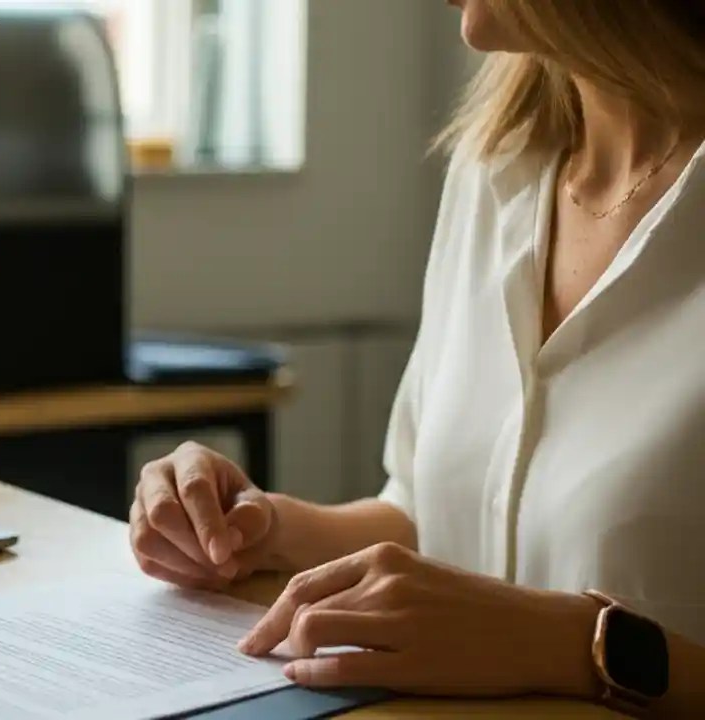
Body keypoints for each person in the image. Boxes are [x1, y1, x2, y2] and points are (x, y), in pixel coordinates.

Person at [128, 0, 705, 715]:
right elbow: (430, 515)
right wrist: (261, 531)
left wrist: (573, 642)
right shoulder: (496, 167)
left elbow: (519, 623)